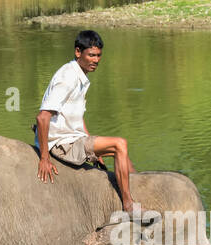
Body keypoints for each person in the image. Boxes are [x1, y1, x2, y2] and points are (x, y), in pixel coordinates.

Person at [34, 30, 135, 212]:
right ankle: (128, 204)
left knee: (122, 154)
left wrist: (97, 151)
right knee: (120, 144)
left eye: (98, 56)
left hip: (74, 138)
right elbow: (42, 118)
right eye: (91, 55)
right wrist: (44, 158)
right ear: (78, 52)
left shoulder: (80, 75)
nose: (96, 60)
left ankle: (138, 187)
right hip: (62, 143)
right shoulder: (68, 77)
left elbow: (77, 117)